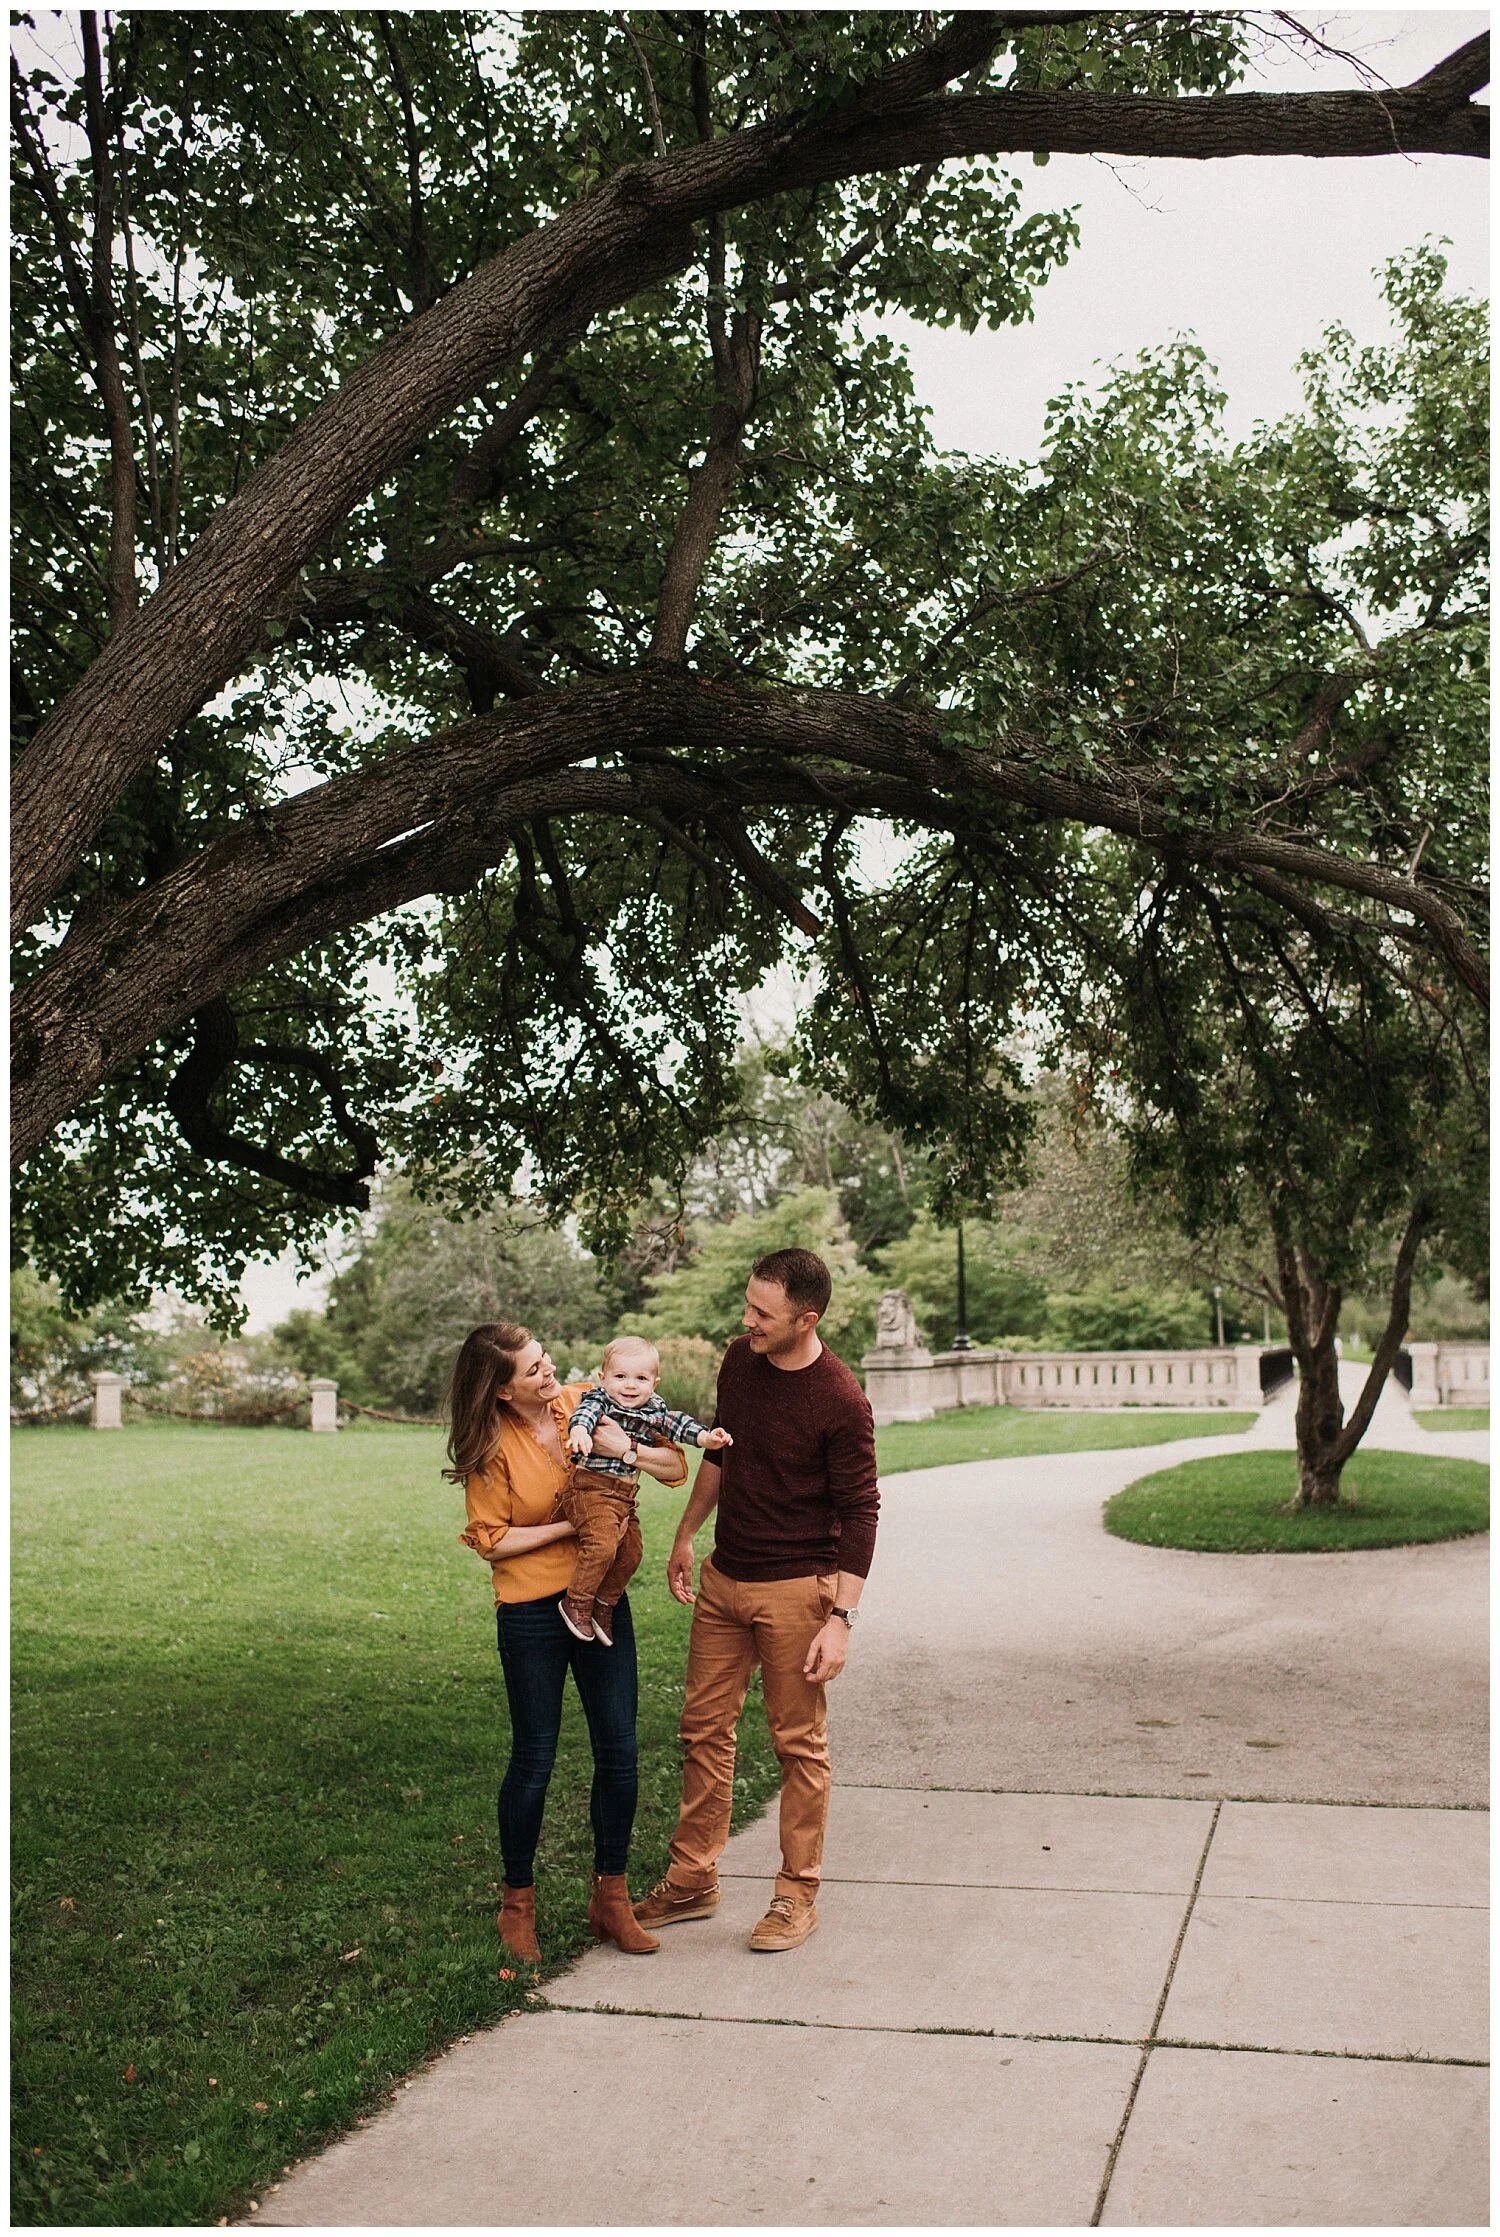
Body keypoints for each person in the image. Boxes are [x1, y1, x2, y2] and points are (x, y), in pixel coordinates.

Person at [634, 1248, 879, 1953]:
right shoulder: (741, 1360)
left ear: (808, 1319)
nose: (747, 1323)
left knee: (798, 1744)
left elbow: (861, 1509)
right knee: (702, 1730)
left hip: (798, 1588)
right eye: (747, 1305)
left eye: (761, 1314)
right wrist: (686, 1533)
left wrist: (841, 1618)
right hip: (725, 1578)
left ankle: (796, 1893)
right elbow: (720, 1453)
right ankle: (692, 1878)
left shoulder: (840, 1397)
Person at [447, 1321, 688, 1964]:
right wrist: (572, 1528)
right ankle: (517, 1903)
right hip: (530, 1611)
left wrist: (628, 1452)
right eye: (532, 1370)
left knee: (620, 1749)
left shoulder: (590, 1400)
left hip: (604, 1600)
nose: (548, 1372)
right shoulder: (491, 1445)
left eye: (546, 1358)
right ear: (500, 1390)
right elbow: (491, 1539)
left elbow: (676, 1466)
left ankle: (611, 1899)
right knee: (535, 1757)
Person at [559, 1335, 733, 1648]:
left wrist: (706, 1438)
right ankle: (578, 1601)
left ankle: (604, 1605)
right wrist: (580, 1431)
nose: (630, 1385)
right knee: (602, 1544)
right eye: (620, 1376)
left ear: (654, 1382)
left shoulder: (653, 1409)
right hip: (590, 1490)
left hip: (624, 1498)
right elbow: (583, 1414)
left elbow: (676, 1424)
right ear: (603, 1378)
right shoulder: (599, 1401)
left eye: (641, 1378)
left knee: (632, 1552)